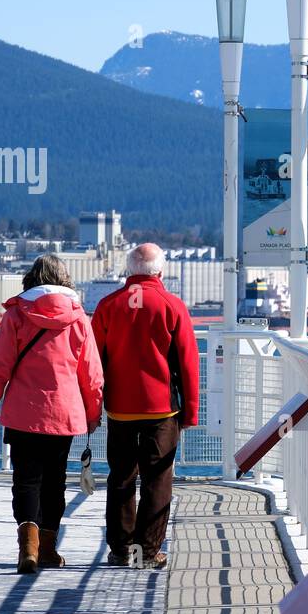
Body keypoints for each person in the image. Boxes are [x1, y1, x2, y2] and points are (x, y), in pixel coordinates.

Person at [0, 254, 103, 574]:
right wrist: (93, 414)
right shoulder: (78, 318)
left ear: (32, 277)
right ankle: (47, 549)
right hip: (64, 413)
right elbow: (91, 374)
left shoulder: (16, 315)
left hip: (23, 413)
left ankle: (28, 550)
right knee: (54, 481)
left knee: (26, 480)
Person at [92, 243, 199, 569]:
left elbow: (93, 362)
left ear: (129, 269)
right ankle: (147, 552)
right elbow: (188, 362)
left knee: (121, 478)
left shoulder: (108, 305)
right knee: (157, 480)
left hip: (120, 407)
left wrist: (93, 407)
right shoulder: (172, 305)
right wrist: (191, 410)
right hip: (161, 409)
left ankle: (121, 550)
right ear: (160, 271)